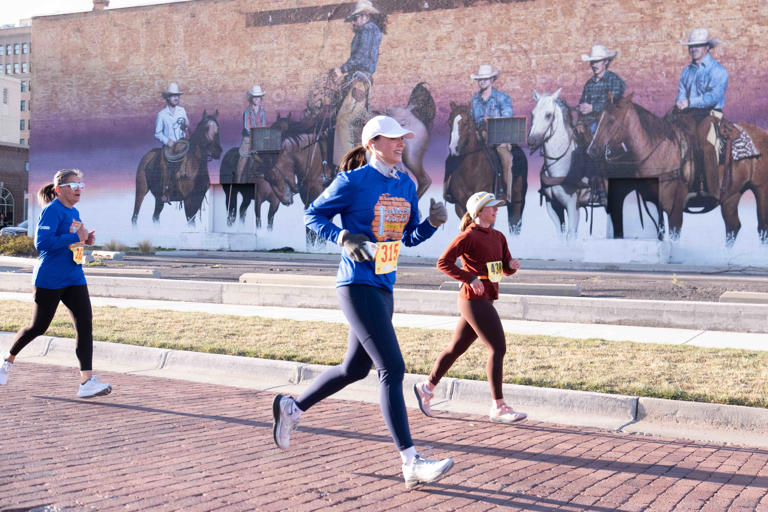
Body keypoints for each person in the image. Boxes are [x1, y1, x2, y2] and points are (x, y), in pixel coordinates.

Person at [271, 115, 453, 490]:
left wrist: (432, 224)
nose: (401, 145)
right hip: (355, 284)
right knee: (393, 368)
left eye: (403, 139)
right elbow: (313, 215)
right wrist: (343, 238)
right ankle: (410, 461)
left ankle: (293, 407)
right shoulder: (352, 182)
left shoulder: (407, 182)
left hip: (385, 285)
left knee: (355, 369)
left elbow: (410, 237)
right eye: (393, 140)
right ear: (373, 144)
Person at [414, 191, 526, 424]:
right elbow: (443, 262)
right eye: (492, 207)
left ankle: (426, 387)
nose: (496, 210)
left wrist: (512, 266)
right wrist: (469, 278)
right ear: (479, 211)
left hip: (486, 299)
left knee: (455, 349)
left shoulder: (498, 236)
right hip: (472, 301)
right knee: (497, 348)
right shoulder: (468, 236)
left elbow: (503, 268)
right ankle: (499, 406)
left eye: (497, 207)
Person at [0, 169, 112, 398]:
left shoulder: (75, 211)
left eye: (81, 185)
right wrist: (75, 237)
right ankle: (6, 361)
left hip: (74, 276)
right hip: (50, 279)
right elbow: (42, 243)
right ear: (60, 190)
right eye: (73, 186)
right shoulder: (51, 211)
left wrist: (85, 241)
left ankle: (86, 382)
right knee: (38, 328)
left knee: (84, 325)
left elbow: (72, 243)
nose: (78, 189)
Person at [674, 28, 729, 199]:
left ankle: (711, 189)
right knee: (671, 135)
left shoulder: (718, 70)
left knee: (704, 140)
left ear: (706, 47)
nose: (694, 49)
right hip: (689, 114)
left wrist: (690, 102)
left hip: (711, 113)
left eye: (698, 46)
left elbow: (713, 97)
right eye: (691, 46)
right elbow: (682, 90)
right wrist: (681, 102)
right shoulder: (686, 71)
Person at [332, 0, 385, 166]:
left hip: (360, 81)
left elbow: (360, 56)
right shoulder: (369, 31)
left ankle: (346, 165)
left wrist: (342, 69)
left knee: (343, 120)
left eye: (355, 19)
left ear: (365, 16)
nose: (353, 23)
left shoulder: (367, 30)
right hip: (359, 78)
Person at [577, 45, 626, 205]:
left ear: (605, 61)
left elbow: (614, 103)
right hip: (589, 122)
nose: (594, 65)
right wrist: (580, 114)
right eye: (592, 62)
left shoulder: (614, 80)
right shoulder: (589, 84)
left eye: (597, 61)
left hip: (608, 123)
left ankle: (594, 180)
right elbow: (582, 102)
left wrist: (593, 108)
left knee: (593, 139)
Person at [468, 65, 515, 203]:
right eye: (480, 79)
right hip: (478, 137)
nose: (482, 82)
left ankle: (506, 193)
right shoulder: (473, 101)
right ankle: (450, 189)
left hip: (498, 136)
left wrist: (492, 121)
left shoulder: (502, 98)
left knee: (506, 159)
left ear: (492, 80)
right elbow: (469, 119)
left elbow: (508, 116)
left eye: (485, 79)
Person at [154, 82, 190, 202]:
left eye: (177, 96)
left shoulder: (182, 110)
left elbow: (186, 125)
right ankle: (166, 191)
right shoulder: (162, 115)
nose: (176, 98)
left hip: (183, 144)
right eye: (173, 96)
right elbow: (157, 133)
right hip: (170, 146)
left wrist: (186, 126)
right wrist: (167, 141)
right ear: (167, 98)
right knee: (166, 166)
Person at [235, 85, 267, 183]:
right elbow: (247, 127)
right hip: (248, 139)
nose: (257, 99)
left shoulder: (262, 111)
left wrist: (262, 135)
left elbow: (263, 125)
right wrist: (257, 134)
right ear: (251, 98)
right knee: (243, 158)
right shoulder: (247, 112)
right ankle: (238, 180)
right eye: (255, 97)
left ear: (261, 98)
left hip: (259, 138)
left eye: (258, 97)